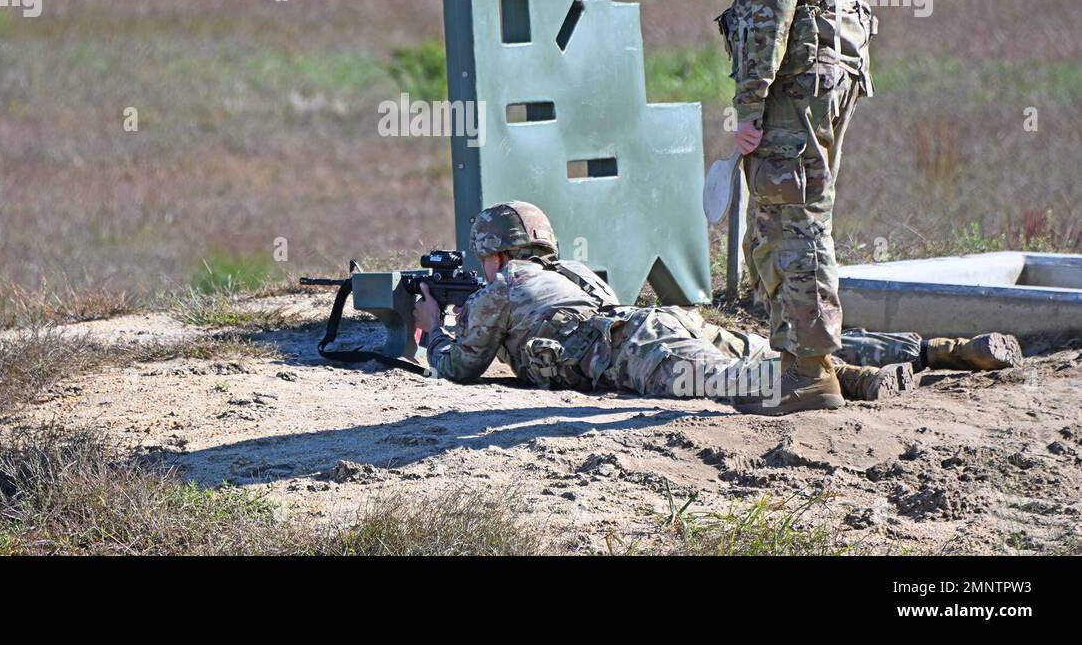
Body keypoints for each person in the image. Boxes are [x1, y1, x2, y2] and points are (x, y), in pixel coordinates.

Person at [416, 202, 1021, 406]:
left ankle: (859, 379)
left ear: (492, 254)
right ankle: (942, 349)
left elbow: (458, 369)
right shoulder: (571, 270)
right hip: (655, 322)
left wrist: (430, 330)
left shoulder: (500, 288)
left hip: (633, 349)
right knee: (776, 346)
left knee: (735, 382)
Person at [714, 0, 880, 414]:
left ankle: (809, 377)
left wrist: (748, 108)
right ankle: (807, 364)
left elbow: (768, 9)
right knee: (806, 210)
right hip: (840, 71)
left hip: (794, 81)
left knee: (789, 220)